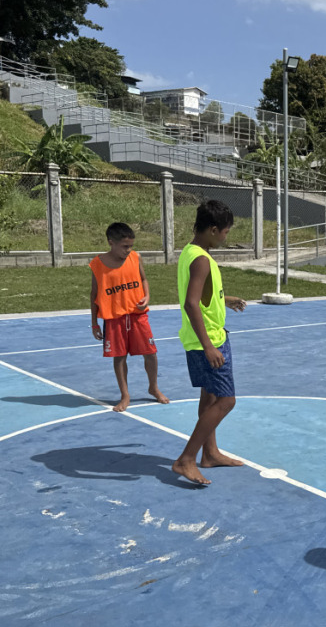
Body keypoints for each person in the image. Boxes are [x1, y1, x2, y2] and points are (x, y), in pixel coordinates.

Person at [172, 200, 247, 486]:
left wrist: (225, 299)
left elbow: (200, 297)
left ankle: (210, 454)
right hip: (209, 340)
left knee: (211, 398)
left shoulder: (191, 253)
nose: (226, 237)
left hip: (206, 337)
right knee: (227, 400)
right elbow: (191, 304)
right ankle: (186, 459)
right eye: (226, 232)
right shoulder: (202, 259)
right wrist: (208, 346)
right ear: (214, 229)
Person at [90, 222, 170, 412]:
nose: (129, 250)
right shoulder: (97, 264)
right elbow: (94, 295)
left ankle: (154, 387)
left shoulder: (136, 257)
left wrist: (147, 296)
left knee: (150, 353)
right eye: (125, 246)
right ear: (111, 242)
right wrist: (94, 323)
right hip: (113, 318)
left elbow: (143, 279)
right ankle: (125, 395)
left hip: (137, 316)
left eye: (131, 246)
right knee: (119, 357)